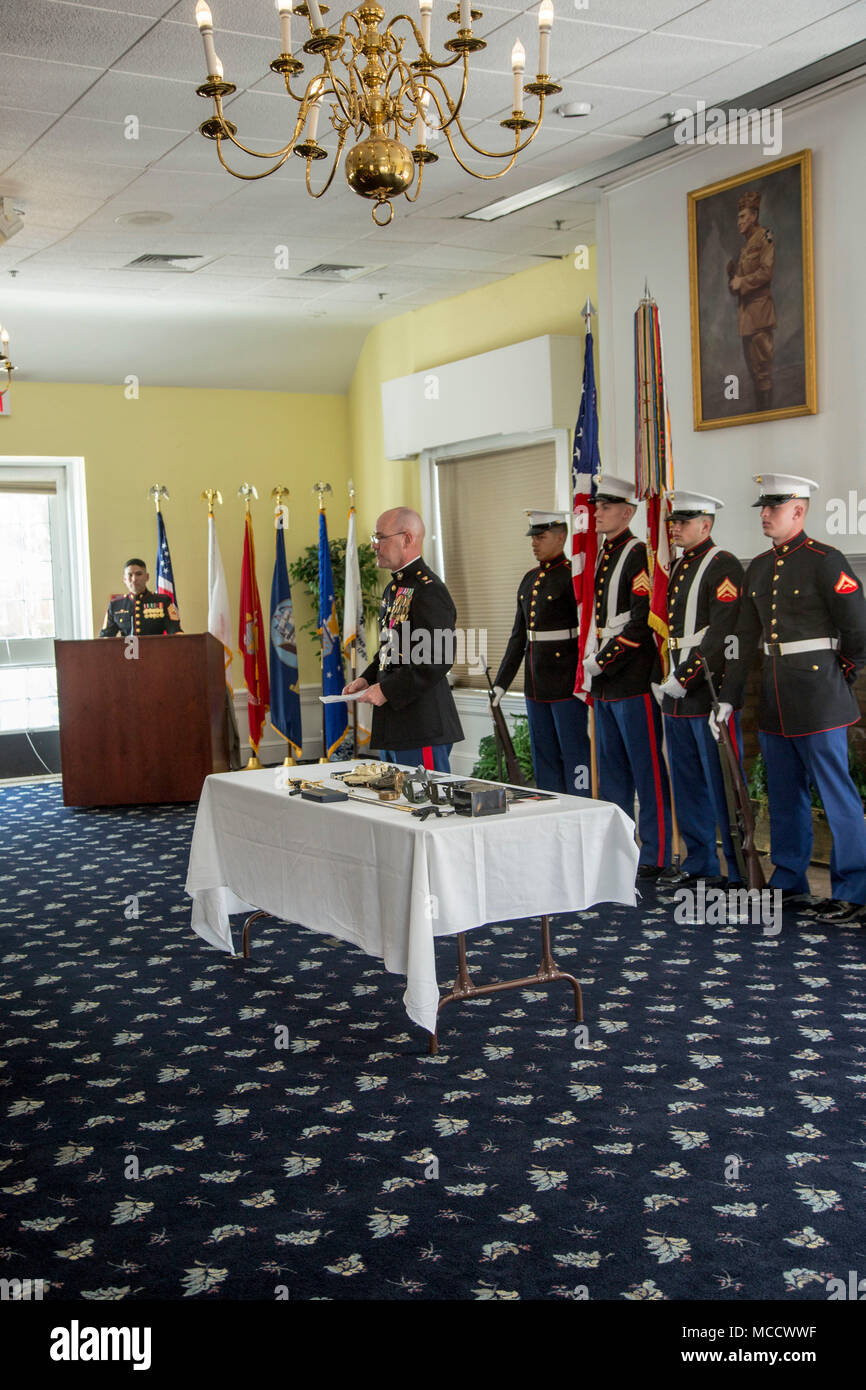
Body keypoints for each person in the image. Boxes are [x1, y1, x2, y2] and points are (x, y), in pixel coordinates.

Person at [714, 473, 866, 924]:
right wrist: (728, 696)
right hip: (777, 698)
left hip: (819, 696)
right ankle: (789, 880)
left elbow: (858, 629)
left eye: (773, 507)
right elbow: (743, 637)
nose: (764, 514)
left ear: (798, 512)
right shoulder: (758, 567)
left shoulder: (826, 560)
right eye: (763, 507)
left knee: (837, 796)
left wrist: (842, 673)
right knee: (783, 795)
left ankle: (854, 891)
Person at [651, 491, 745, 887]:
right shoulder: (679, 566)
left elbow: (721, 633)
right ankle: (700, 863)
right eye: (674, 521)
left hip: (704, 688)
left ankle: (738, 870)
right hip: (676, 693)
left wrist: (683, 677)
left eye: (684, 522)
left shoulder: (721, 564)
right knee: (687, 782)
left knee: (720, 785)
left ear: (705, 525)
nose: (674, 528)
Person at [583, 474, 672, 879]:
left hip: (631, 677)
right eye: (597, 506)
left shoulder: (638, 552)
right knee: (613, 772)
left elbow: (641, 622)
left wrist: (606, 659)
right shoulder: (603, 553)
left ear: (628, 512)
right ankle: (621, 847)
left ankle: (656, 853)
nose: (597, 512)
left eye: (606, 507)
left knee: (646, 769)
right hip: (603, 682)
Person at [342, 507, 463, 772]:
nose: (374, 545)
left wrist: (386, 690)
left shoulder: (429, 590)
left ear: (407, 538)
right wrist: (367, 678)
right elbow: (391, 649)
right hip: (395, 722)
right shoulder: (394, 588)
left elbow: (439, 658)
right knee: (397, 807)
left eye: (380, 537)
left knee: (426, 803)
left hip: (422, 723)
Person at [491, 510, 591, 795]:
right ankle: (549, 807)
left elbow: (584, 633)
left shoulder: (574, 577)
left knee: (574, 753)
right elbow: (518, 637)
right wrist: (501, 683)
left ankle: (580, 805)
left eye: (541, 536)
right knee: (543, 756)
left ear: (561, 537)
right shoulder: (529, 579)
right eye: (533, 537)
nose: (534, 542)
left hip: (567, 683)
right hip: (536, 685)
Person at [727, 189, 776, 412]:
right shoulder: (745, 247)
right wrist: (732, 281)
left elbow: (766, 272)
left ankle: (767, 418)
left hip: (760, 315)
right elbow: (738, 284)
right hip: (746, 318)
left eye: (742, 216)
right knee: (753, 372)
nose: (738, 222)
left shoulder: (765, 238)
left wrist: (742, 282)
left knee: (763, 372)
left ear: (754, 215)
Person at [99, 558, 181, 636]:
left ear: (147, 577)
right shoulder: (116, 605)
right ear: (124, 579)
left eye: (138, 574)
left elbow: (175, 631)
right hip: (127, 650)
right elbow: (105, 637)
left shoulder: (163, 601)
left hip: (155, 649)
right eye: (130, 575)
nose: (134, 579)